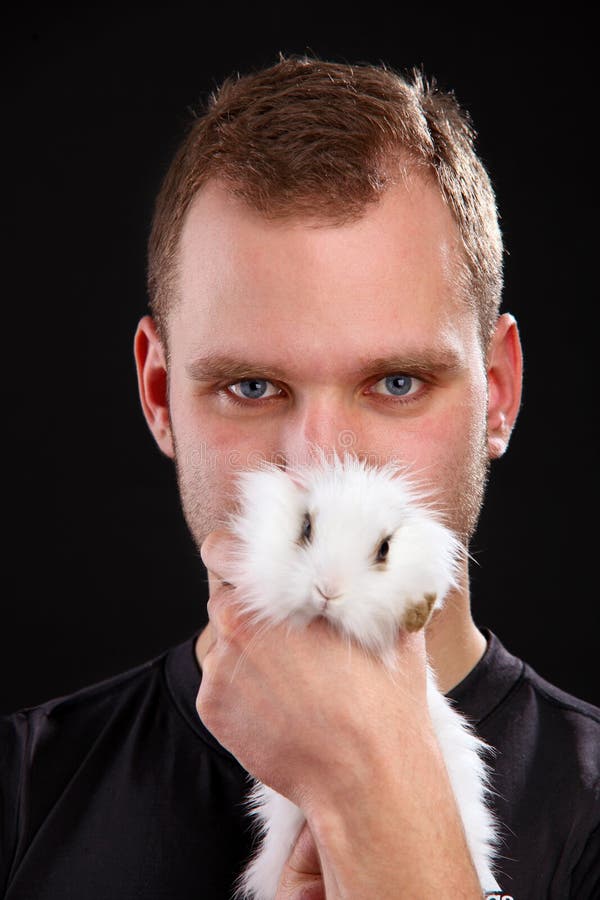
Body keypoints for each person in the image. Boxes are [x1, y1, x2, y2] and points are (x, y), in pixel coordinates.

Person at [1, 55, 599, 900]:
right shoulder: (21, 794)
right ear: (161, 396)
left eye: (397, 383)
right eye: (251, 387)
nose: (320, 465)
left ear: (497, 394)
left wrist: (374, 795)